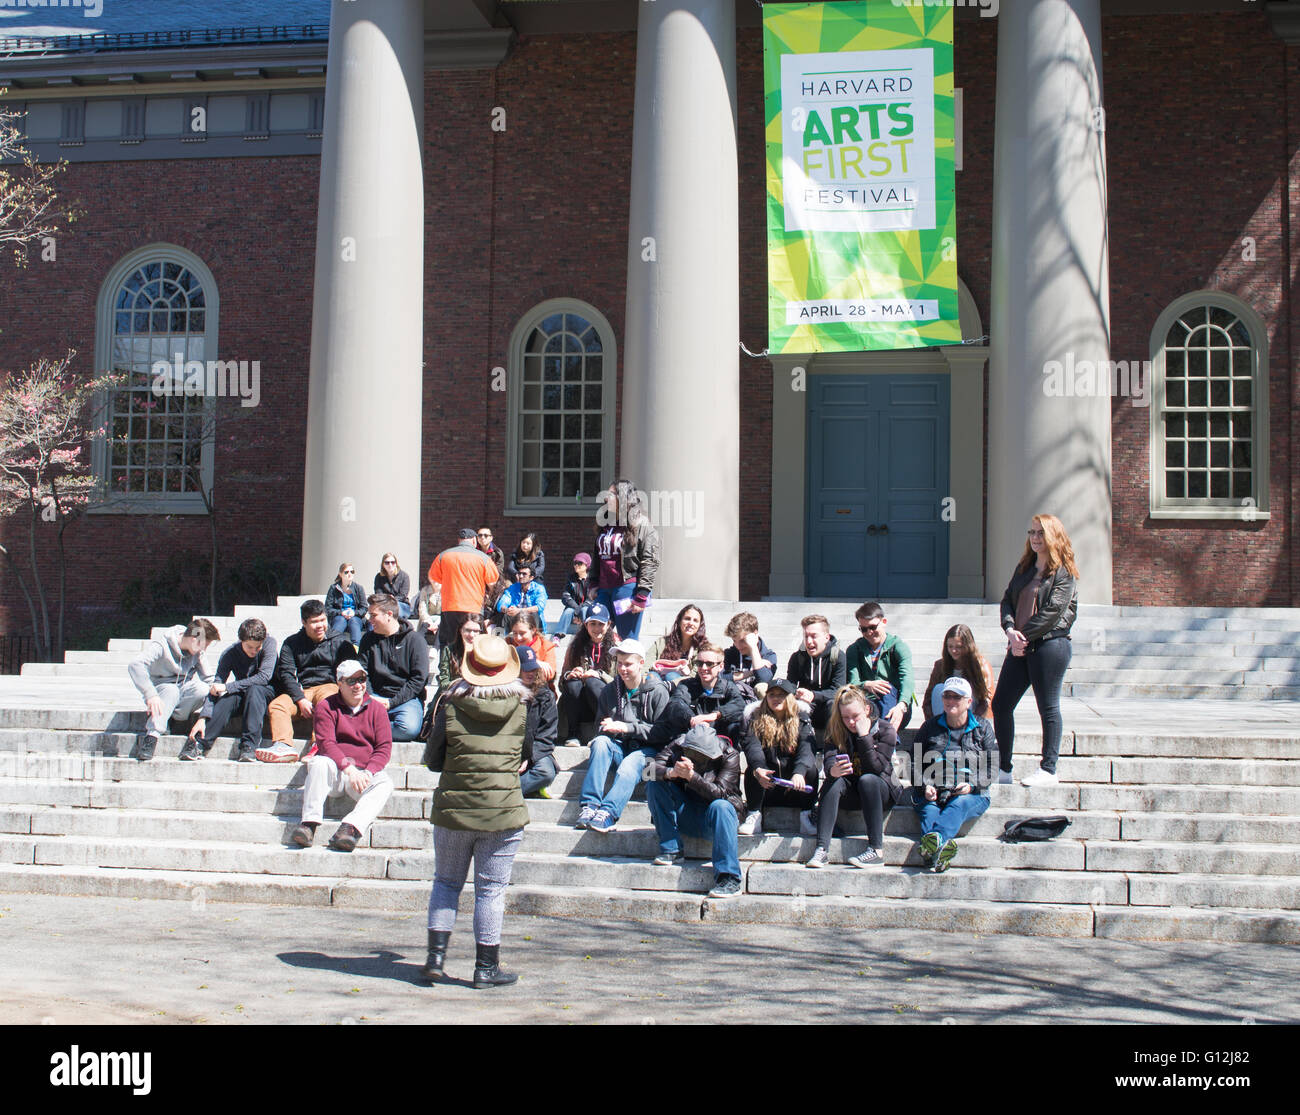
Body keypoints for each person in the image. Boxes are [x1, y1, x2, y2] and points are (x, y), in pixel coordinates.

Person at [421, 634, 531, 988]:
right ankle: (486, 968)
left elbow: (433, 760)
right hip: (502, 811)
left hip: (455, 808)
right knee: (491, 890)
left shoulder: (450, 704)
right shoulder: (522, 707)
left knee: (446, 882)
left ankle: (435, 958)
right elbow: (526, 757)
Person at [991, 513, 1079, 788]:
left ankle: (1048, 769)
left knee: (1048, 707)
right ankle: (1004, 769)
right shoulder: (1024, 568)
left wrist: (1021, 637)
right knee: (1001, 705)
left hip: (1050, 645)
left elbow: (1053, 612)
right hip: (1019, 644)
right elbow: (1007, 601)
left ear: (1054, 536)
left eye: (1040, 533)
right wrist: (1009, 630)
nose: (1035, 538)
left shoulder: (1063, 573)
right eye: (1031, 533)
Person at [290, 660, 394, 853]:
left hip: (362, 776)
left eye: (361, 679)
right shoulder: (325, 707)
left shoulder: (377, 709)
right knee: (319, 762)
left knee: (385, 783)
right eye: (351, 681)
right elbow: (326, 743)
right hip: (336, 773)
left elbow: (384, 748)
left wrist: (368, 772)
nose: (358, 685)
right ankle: (308, 824)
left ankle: (350, 828)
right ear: (339, 683)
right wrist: (348, 769)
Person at [576, 638, 671, 833]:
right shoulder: (610, 691)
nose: (622, 669)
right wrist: (606, 729)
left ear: (641, 664)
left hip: (651, 762)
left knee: (631, 763)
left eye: (628, 664)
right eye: (619, 663)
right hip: (620, 749)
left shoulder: (658, 692)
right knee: (600, 743)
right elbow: (599, 726)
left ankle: (609, 813)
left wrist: (627, 728)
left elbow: (664, 733)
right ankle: (590, 805)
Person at [806, 685, 903, 869]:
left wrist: (864, 736)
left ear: (867, 709)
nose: (850, 722)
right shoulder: (836, 730)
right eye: (845, 718)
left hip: (880, 791)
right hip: (851, 791)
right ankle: (822, 849)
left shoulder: (885, 729)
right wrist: (832, 770)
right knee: (833, 781)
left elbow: (876, 768)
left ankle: (876, 850)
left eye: (855, 716)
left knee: (868, 780)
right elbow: (829, 760)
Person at [645, 723, 743, 899]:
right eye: (692, 754)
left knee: (722, 806)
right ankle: (671, 849)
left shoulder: (730, 755)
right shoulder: (678, 744)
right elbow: (647, 771)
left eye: (702, 757)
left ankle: (729, 877)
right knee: (655, 783)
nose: (696, 759)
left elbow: (720, 794)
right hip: (686, 812)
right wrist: (671, 772)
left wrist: (692, 777)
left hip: (715, 820)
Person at [910, 677, 998, 873]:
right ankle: (938, 853)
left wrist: (972, 785)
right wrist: (925, 786)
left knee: (959, 804)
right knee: (930, 811)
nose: (950, 701)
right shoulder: (930, 727)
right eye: (947, 696)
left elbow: (992, 767)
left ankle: (934, 843)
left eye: (956, 697)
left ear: (969, 702)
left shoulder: (983, 728)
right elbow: (914, 762)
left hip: (970, 793)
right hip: (933, 791)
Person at [262, 599, 355, 763]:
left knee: (327, 700)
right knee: (277, 705)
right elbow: (286, 673)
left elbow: (350, 671)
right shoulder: (291, 643)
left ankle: (320, 745)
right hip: (303, 690)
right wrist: (299, 698)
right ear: (304, 622)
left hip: (329, 687)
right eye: (314, 622)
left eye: (322, 620)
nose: (320, 625)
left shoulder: (341, 642)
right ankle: (283, 746)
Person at [183, 618, 277, 763]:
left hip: (267, 693)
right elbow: (216, 686)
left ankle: (249, 746)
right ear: (241, 641)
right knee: (227, 698)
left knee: (254, 689)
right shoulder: (230, 653)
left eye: (257, 647)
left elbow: (264, 678)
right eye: (249, 647)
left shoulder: (269, 644)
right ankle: (200, 743)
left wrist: (228, 687)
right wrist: (202, 718)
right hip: (244, 692)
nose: (253, 651)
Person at [126, 618, 220, 761]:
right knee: (171, 690)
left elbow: (209, 679)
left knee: (202, 689)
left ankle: (175, 719)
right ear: (194, 638)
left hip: (183, 691)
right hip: (161, 691)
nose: (204, 650)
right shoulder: (162, 645)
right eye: (204, 645)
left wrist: (221, 690)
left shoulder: (197, 653)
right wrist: (150, 694)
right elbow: (135, 665)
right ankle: (151, 738)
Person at [738, 678, 817, 837]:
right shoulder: (754, 718)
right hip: (768, 786)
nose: (776, 698)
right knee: (752, 770)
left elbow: (807, 749)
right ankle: (754, 814)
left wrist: (799, 772)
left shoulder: (802, 718)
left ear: (790, 697)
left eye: (781, 695)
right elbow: (752, 746)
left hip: (795, 786)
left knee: (811, 770)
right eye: (772, 694)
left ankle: (806, 815)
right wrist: (759, 768)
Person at [647, 641, 747, 752]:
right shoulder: (687, 685)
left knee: (735, 727)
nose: (703, 668)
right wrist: (693, 719)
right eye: (699, 663)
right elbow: (675, 704)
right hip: (691, 743)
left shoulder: (728, 687)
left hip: (719, 746)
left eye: (709, 664)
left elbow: (740, 705)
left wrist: (714, 715)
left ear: (721, 666)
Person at [593, 478, 661, 640]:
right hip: (603, 590)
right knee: (596, 636)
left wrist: (642, 595)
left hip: (626, 589)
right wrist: (593, 582)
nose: (605, 498)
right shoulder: (605, 522)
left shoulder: (641, 524)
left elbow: (650, 560)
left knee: (627, 640)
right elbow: (597, 554)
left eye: (611, 494)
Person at [357, 594, 430, 742]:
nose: (369, 620)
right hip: (373, 697)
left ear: (389, 614)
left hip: (406, 700)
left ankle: (366, 731)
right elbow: (363, 672)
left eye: (373, 615)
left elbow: (418, 680)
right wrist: (372, 697)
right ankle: (369, 728)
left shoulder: (415, 641)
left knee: (408, 729)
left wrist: (392, 703)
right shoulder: (367, 640)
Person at [846, 602, 914, 732]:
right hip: (866, 704)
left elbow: (907, 679)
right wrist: (867, 684)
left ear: (884, 621)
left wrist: (902, 705)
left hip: (896, 706)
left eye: (872, 627)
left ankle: (887, 743)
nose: (869, 633)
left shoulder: (898, 647)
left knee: (886, 691)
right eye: (863, 629)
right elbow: (851, 683)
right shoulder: (854, 650)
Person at [427, 528, 501, 649]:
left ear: (459, 540)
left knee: (447, 642)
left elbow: (434, 579)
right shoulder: (484, 558)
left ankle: (447, 667)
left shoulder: (443, 556)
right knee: (472, 642)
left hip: (449, 606)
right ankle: (469, 667)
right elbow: (493, 583)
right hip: (473, 607)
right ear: (474, 540)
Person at [558, 603, 615, 747]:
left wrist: (599, 675)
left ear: (608, 624)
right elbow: (561, 683)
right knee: (573, 684)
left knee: (592, 682)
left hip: (604, 703)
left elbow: (621, 682)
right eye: (592, 624)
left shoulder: (617, 648)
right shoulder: (576, 646)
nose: (596, 629)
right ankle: (573, 733)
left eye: (600, 624)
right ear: (586, 625)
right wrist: (570, 675)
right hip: (579, 703)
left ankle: (600, 732)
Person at [785, 613, 847, 737]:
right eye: (806, 636)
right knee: (796, 707)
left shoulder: (838, 657)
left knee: (833, 706)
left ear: (826, 637)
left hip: (827, 705)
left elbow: (838, 690)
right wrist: (796, 692)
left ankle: (832, 749)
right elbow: (790, 685)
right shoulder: (797, 657)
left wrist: (813, 695)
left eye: (814, 636)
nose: (809, 642)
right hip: (806, 705)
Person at [922, 624, 996, 721]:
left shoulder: (981, 665)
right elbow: (928, 700)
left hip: (972, 717)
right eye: (950, 646)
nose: (953, 650)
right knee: (938, 689)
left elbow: (986, 700)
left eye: (959, 647)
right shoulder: (940, 665)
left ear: (968, 646)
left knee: (967, 689)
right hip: (945, 715)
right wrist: (931, 723)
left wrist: (975, 723)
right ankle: (941, 728)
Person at [518, 645, 559, 799]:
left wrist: (528, 756)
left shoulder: (546, 696)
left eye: (533, 669)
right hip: (509, 750)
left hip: (536, 751)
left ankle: (506, 792)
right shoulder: (506, 692)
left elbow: (547, 736)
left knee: (546, 772)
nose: (530, 673)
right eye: (525, 669)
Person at [646, 603, 706, 684]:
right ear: (679, 621)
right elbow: (646, 665)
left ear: (699, 625)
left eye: (695, 620)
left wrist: (670, 684)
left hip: (683, 687)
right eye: (687, 619)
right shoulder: (662, 642)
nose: (691, 623)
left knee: (671, 676)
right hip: (658, 684)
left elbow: (694, 676)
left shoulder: (702, 647)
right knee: (651, 675)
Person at [722, 611, 778, 694]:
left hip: (756, 702)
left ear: (755, 634)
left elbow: (764, 680)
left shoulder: (769, 656)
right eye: (734, 640)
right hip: (734, 699)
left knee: (762, 688)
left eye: (742, 640)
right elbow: (719, 678)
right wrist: (750, 673)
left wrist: (753, 648)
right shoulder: (729, 654)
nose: (738, 646)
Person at [505, 612, 560, 687]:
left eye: (522, 633)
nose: (518, 637)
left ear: (533, 630)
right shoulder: (508, 643)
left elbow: (549, 674)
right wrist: (533, 662)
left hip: (538, 690)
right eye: (515, 633)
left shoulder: (546, 646)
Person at [437, 613, 484, 693]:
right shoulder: (449, 650)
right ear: (460, 630)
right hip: (453, 695)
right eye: (467, 630)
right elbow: (443, 681)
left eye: (476, 631)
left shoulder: (487, 652)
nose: (471, 635)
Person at [552, 551, 594, 636]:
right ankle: (558, 635)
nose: (576, 565)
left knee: (584, 610)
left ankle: (588, 634)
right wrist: (576, 609)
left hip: (587, 608)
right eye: (575, 563)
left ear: (587, 565)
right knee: (568, 611)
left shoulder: (592, 580)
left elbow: (591, 599)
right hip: (574, 608)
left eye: (580, 563)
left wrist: (579, 609)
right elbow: (566, 596)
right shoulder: (571, 578)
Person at [325, 562, 367, 647]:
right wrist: (341, 612)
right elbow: (327, 609)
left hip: (355, 617)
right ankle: (332, 645)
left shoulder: (359, 588)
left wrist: (354, 613)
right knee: (340, 620)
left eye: (352, 572)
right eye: (346, 572)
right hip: (339, 616)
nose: (349, 574)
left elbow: (364, 608)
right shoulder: (333, 588)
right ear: (340, 574)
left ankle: (356, 647)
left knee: (354, 621)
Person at [373, 553, 413, 618]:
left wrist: (392, 600)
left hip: (401, 605)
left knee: (395, 611)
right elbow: (378, 594)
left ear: (396, 564)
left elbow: (403, 595)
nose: (390, 565)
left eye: (393, 562)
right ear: (383, 565)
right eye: (387, 563)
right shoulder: (379, 577)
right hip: (384, 604)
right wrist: (387, 601)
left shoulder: (404, 576)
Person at [415, 578, 441, 647]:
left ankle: (435, 649)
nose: (435, 580)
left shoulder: (447, 590)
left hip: (442, 619)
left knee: (442, 627)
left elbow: (447, 611)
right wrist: (430, 622)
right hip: (427, 618)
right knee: (423, 627)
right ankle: (416, 648)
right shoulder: (425, 590)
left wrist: (436, 623)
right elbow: (422, 609)